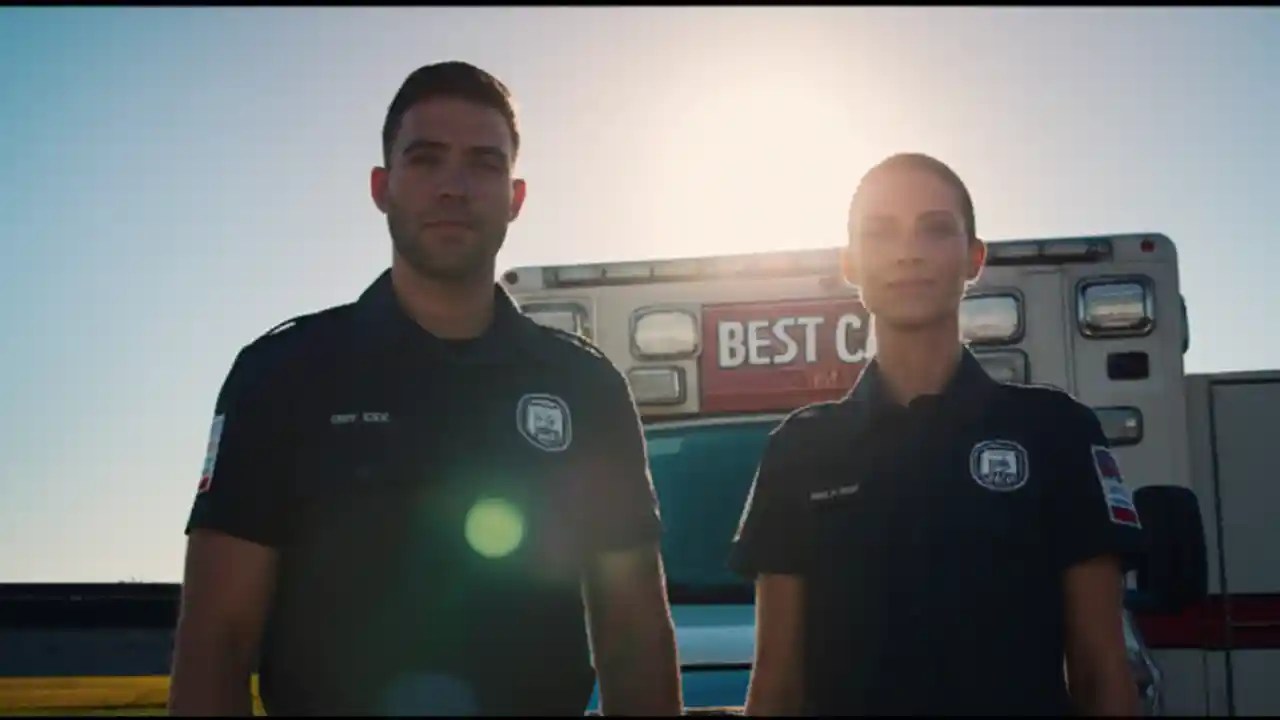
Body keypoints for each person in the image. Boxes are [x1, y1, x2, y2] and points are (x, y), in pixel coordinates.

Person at [168, 61, 683, 717]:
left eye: (483, 164)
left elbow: (633, 637)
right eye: (426, 160)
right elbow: (217, 639)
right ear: (382, 187)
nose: (454, 187)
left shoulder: (585, 387)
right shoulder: (281, 376)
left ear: (516, 197)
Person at [729, 153, 1145, 716]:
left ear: (974, 258)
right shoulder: (799, 450)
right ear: (850, 263)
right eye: (881, 232)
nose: (908, 251)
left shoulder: (1057, 434)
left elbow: (1101, 674)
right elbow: (776, 690)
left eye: (935, 228)